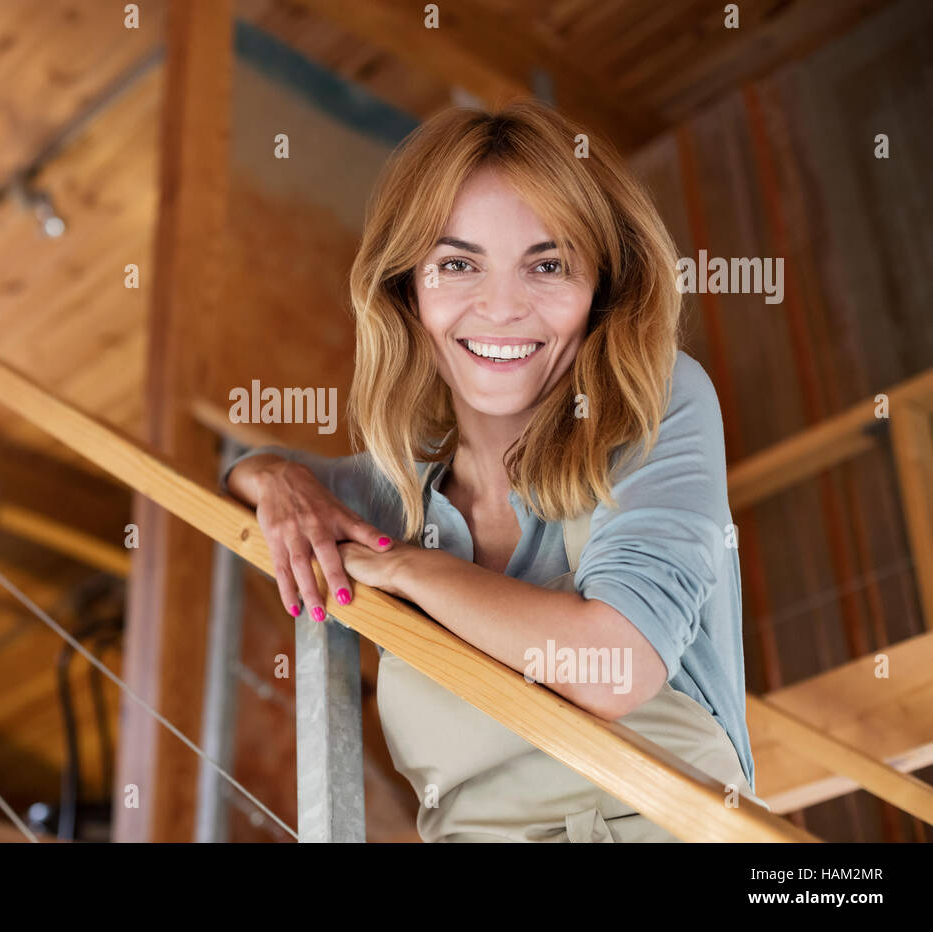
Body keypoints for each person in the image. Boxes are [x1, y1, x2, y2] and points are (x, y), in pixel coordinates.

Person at [221, 101, 766, 842]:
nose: (502, 307)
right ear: (406, 293)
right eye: (456, 264)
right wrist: (274, 479)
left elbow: (615, 665)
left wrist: (412, 571)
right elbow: (231, 476)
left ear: (601, 289)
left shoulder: (653, 406)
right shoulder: (395, 495)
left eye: (547, 264)